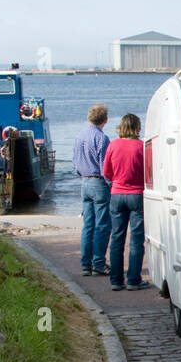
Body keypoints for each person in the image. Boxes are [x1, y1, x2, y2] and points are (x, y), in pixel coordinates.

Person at [102, 113, 149, 290]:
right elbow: (149, 171)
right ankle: (133, 279)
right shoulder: (142, 146)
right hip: (137, 194)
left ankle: (116, 280)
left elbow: (106, 171)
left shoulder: (113, 145)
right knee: (136, 240)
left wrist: (116, 181)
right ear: (137, 127)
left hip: (117, 194)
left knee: (117, 238)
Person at [74, 104, 112, 275]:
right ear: (105, 119)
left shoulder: (80, 136)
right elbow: (105, 165)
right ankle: (98, 262)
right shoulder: (102, 138)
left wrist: (81, 174)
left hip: (84, 181)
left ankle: (85, 263)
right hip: (98, 181)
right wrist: (110, 183)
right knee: (102, 225)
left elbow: (75, 161)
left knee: (88, 225)